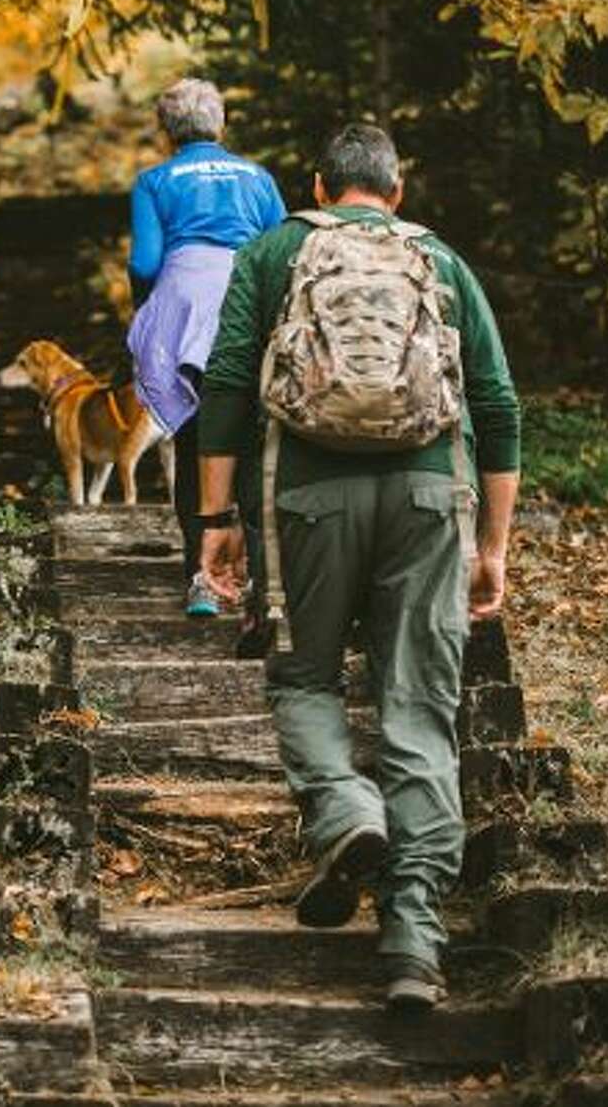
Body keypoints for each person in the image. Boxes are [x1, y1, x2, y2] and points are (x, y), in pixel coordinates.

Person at [195, 123, 520, 1009]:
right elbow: (495, 402)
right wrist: (492, 546)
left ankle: (346, 813)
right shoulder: (442, 262)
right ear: (397, 190)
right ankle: (414, 940)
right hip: (427, 498)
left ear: (318, 185)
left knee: (303, 677)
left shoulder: (274, 251)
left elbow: (226, 381)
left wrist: (215, 519)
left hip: (305, 497)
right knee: (419, 702)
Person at [125, 77, 286, 617]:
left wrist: (146, 309)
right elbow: (286, 249)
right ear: (222, 124)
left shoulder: (154, 180)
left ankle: (200, 579)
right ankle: (261, 584)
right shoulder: (258, 177)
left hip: (188, 315)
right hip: (250, 306)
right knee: (254, 441)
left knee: (195, 441)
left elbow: (145, 264)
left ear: (166, 132)